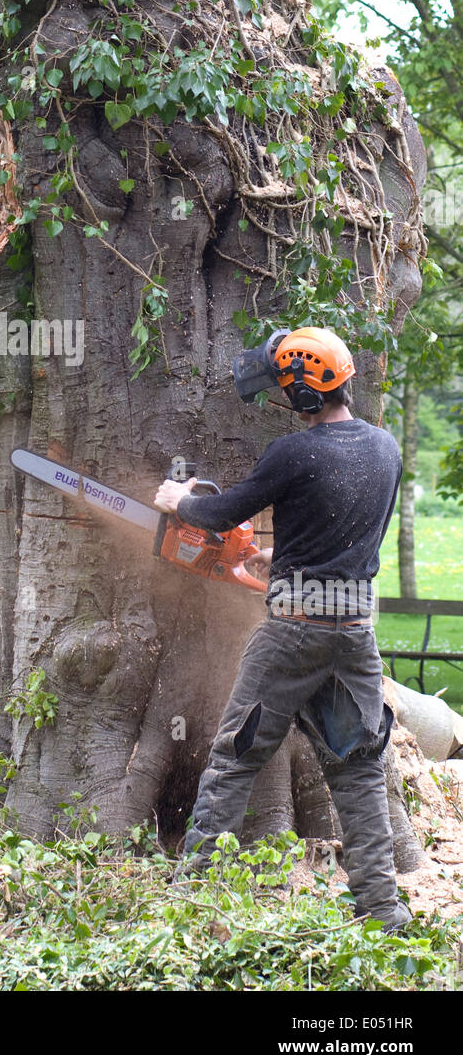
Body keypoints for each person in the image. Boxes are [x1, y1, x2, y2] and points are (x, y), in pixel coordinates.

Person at [155, 326, 412, 932]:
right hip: (353, 635)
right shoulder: (386, 449)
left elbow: (220, 512)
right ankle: (383, 910)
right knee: (358, 772)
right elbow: (352, 536)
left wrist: (176, 501)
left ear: (300, 393)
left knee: (237, 756)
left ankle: (192, 897)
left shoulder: (293, 453)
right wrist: (284, 558)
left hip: (292, 637)